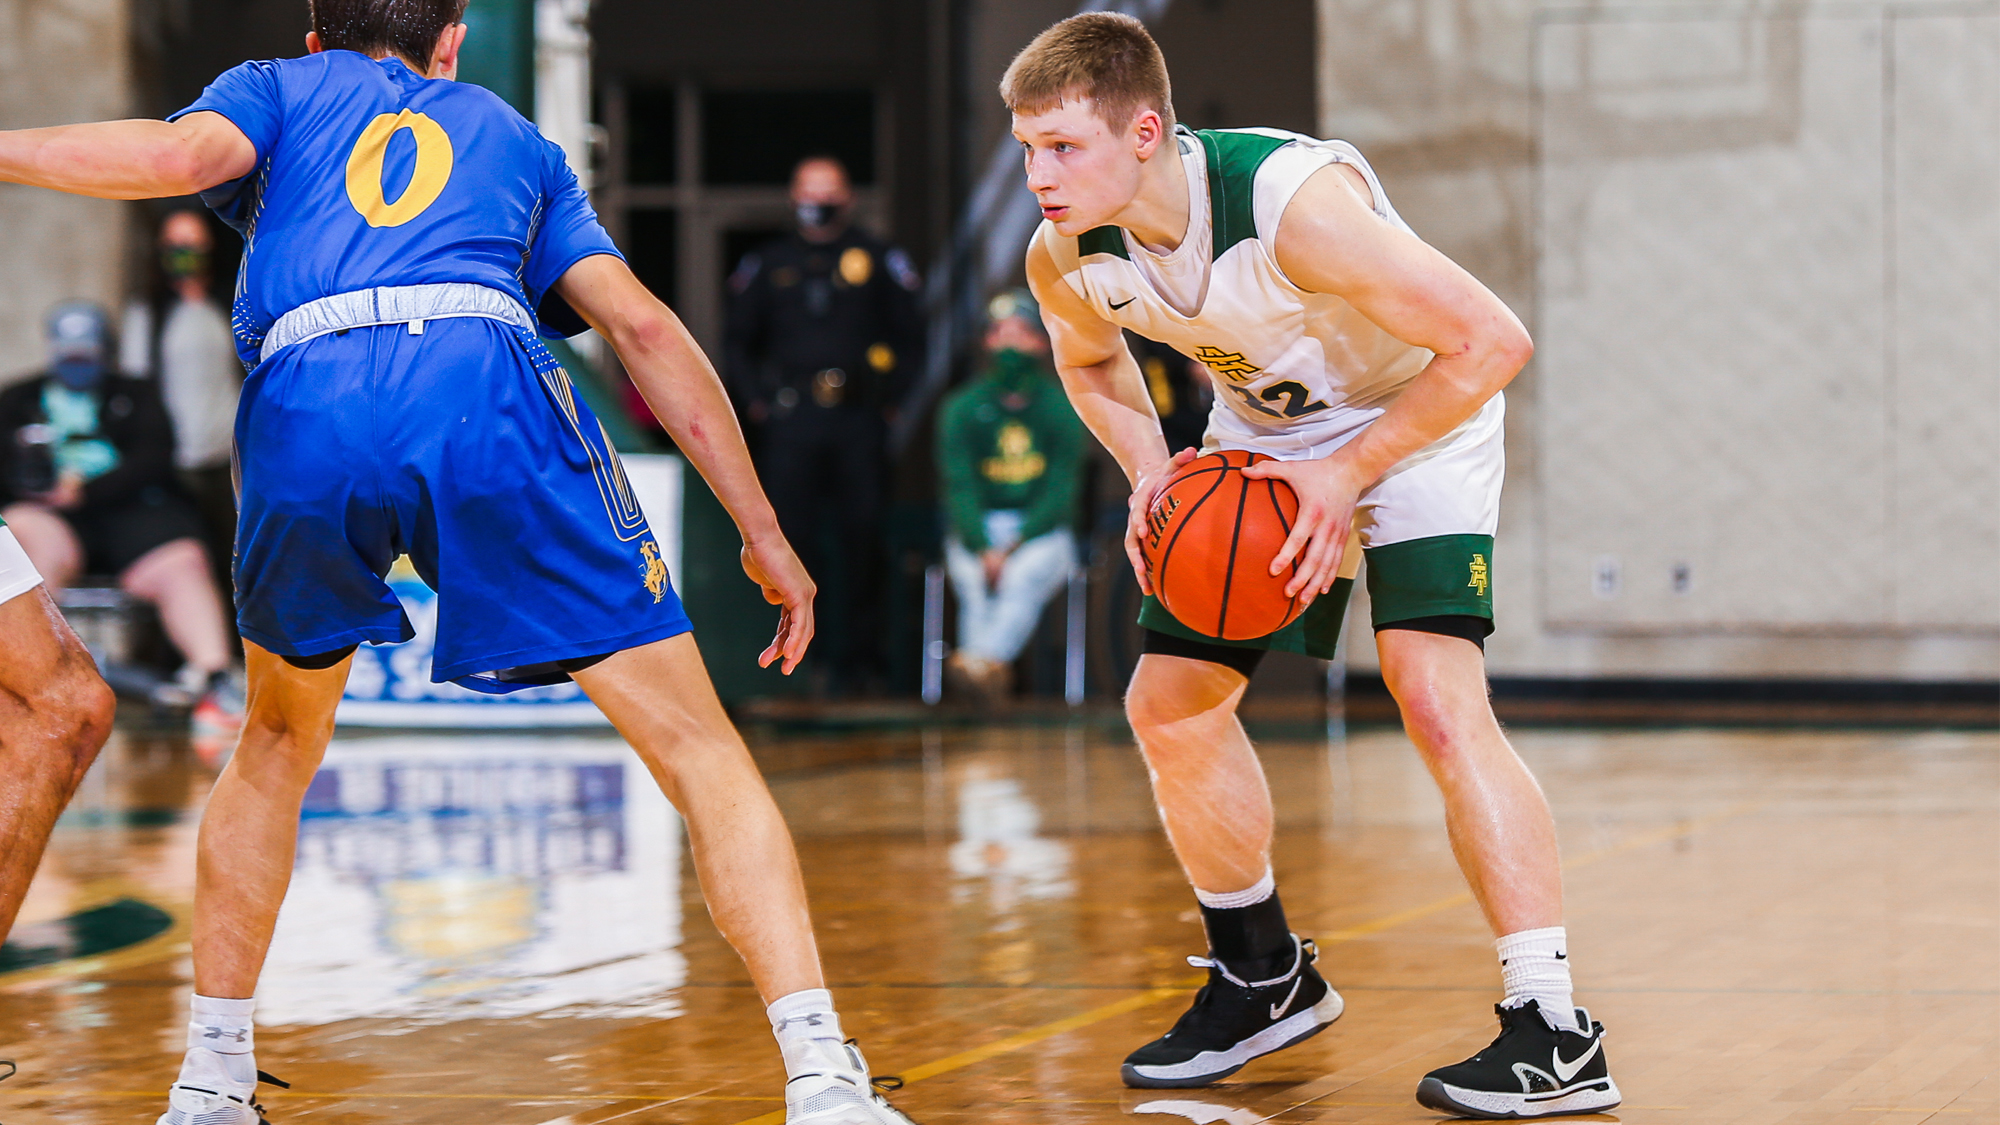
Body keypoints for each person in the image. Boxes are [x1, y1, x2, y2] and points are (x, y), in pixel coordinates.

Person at [0, 3, 913, 1123]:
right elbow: (644, 331)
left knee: (276, 742)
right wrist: (763, 533)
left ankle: (212, 1082)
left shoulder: (278, 89)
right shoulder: (513, 135)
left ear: (314, 37)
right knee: (696, 747)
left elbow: (174, 157)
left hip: (304, 390)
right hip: (478, 380)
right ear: (450, 43)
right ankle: (821, 1077)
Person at [1006, 14, 1619, 1119]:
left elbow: (1489, 343)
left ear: (1142, 132)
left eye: (1061, 147)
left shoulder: (1288, 204)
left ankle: (1552, 1027)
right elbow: (1090, 366)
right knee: (1169, 706)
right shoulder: (1066, 255)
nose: (1038, 175)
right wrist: (1150, 466)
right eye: (1025, 148)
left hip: (1417, 417)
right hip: (1261, 437)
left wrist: (1346, 478)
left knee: (1432, 697)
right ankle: (1262, 975)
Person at [724, 155, 923, 694]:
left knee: (863, 539)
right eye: (809, 193)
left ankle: (860, 664)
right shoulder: (768, 263)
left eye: (829, 194)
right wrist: (758, 404)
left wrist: (892, 402)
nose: (819, 205)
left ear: (848, 199)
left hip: (859, 420)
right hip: (791, 423)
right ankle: (792, 666)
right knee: (789, 542)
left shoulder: (878, 258)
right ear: (793, 198)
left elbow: (911, 338)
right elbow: (737, 344)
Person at [0, 302, 243, 738]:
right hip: (50, 519)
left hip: (127, 512)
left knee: (182, 559)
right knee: (24, 534)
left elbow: (155, 459)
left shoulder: (137, 394)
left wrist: (85, 490)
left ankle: (213, 679)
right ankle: (31, 674)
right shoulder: (16, 400)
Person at [935, 288, 1085, 699]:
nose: (1009, 342)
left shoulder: (1063, 407)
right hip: (978, 527)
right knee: (971, 579)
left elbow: (1061, 492)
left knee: (1020, 576)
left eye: (1021, 332)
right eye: (999, 331)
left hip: (1041, 532)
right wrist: (984, 547)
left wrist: (1011, 546)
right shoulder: (961, 408)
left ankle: (976, 668)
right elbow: (959, 487)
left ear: (1040, 342)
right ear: (986, 341)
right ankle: (989, 672)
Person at [121, 209, 244, 591]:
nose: (185, 254)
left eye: (193, 245)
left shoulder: (230, 306)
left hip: (230, 460)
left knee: (237, 559)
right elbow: (135, 386)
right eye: (175, 246)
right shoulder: (148, 314)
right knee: (184, 558)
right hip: (171, 462)